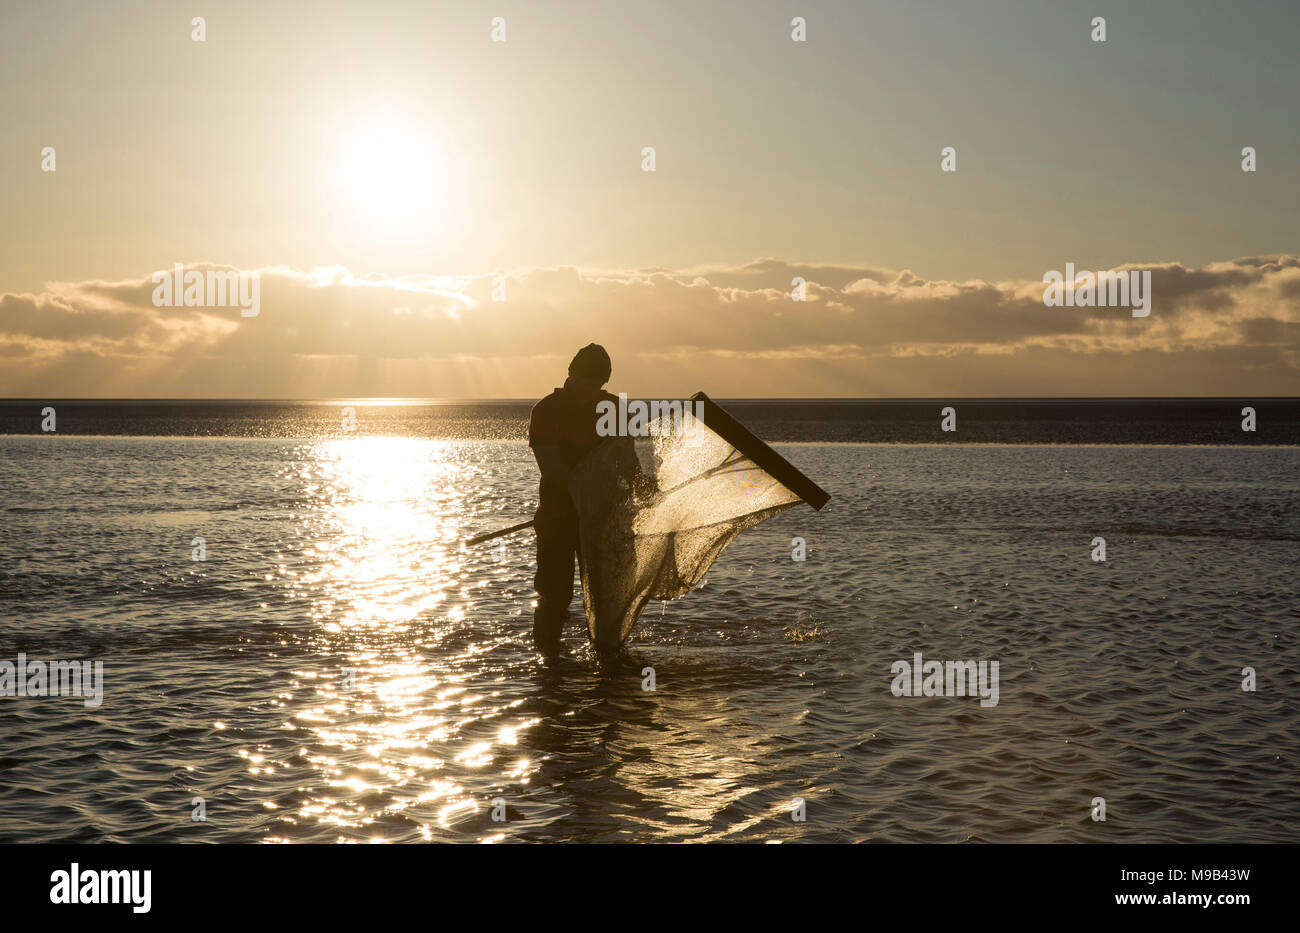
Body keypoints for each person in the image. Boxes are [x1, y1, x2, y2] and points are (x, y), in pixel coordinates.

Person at [528, 344, 619, 654]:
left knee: (605, 593)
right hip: (557, 518)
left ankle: (607, 656)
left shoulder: (614, 408)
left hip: (601, 520)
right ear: (571, 375)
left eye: (597, 385)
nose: (590, 391)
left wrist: (639, 488)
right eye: (585, 382)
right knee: (555, 593)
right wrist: (587, 494)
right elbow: (552, 469)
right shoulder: (546, 410)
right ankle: (547, 656)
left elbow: (627, 461)